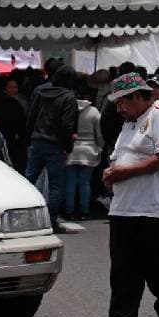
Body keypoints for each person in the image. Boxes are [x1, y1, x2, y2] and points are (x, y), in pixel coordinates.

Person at [88, 73, 159, 317]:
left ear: (139, 96)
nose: (119, 109)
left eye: (122, 102)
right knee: (122, 272)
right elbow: (120, 160)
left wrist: (124, 173)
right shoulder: (129, 125)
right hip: (123, 210)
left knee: (158, 270)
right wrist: (111, 173)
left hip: (153, 210)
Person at [26, 65, 80, 234]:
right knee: (56, 185)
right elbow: (67, 125)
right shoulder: (69, 97)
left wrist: (31, 137)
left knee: (29, 180)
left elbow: (31, 117)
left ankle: (22, 216)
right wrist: (68, 146)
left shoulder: (41, 92)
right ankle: (51, 220)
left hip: (37, 141)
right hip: (55, 145)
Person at [66, 83, 104, 222]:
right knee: (85, 183)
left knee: (70, 182)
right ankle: (84, 211)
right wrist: (100, 147)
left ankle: (69, 211)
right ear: (87, 96)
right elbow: (99, 133)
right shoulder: (93, 111)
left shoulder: (67, 108)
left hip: (71, 150)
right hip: (89, 150)